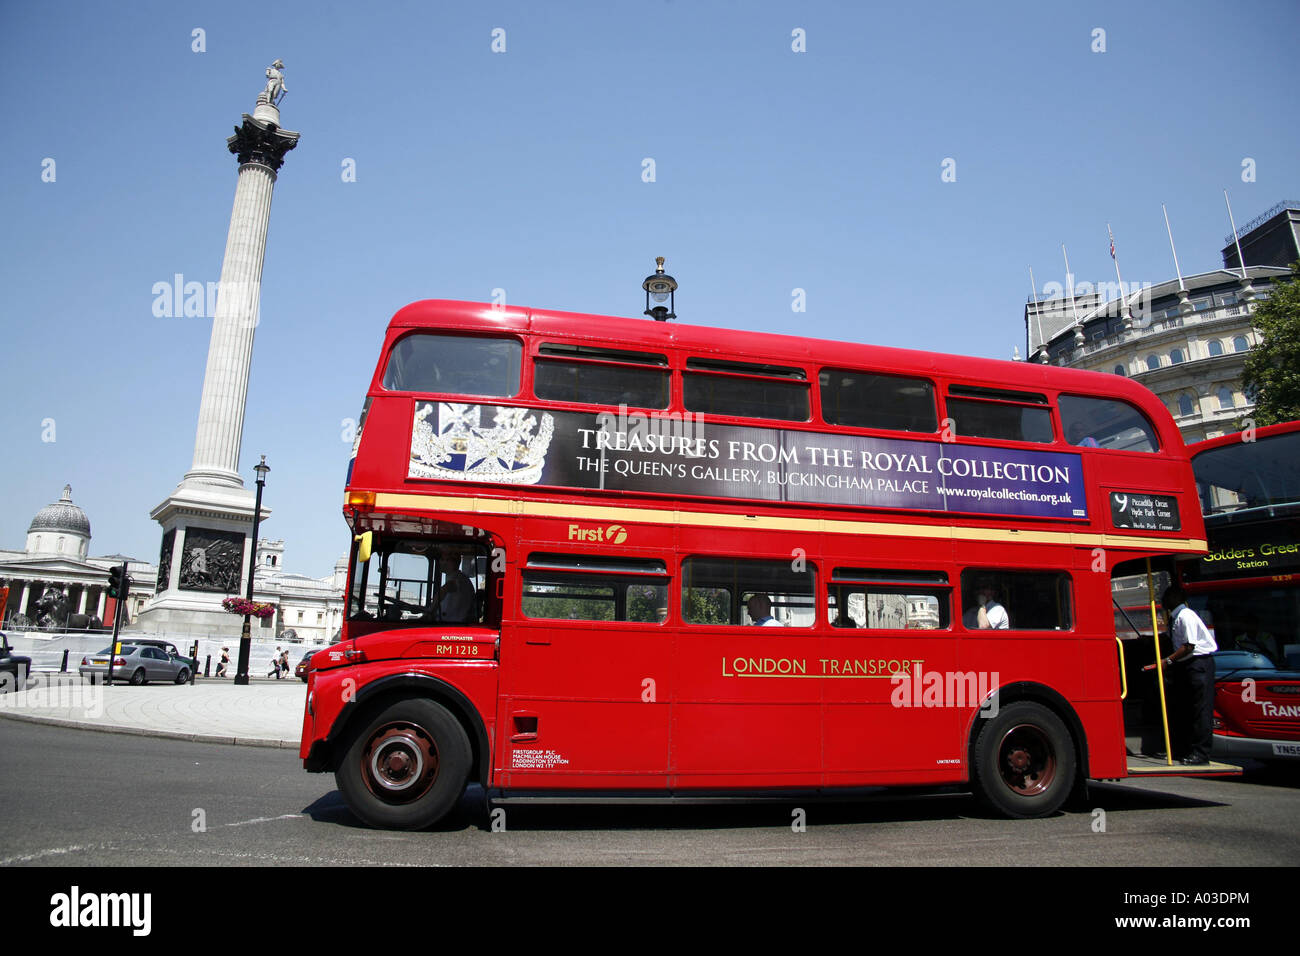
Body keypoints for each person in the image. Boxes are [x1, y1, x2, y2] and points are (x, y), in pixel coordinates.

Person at [1144, 586, 1217, 765]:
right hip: (1186, 664)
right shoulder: (1175, 618)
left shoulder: (1186, 616)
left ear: (1175, 597)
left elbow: (1189, 646)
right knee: (1184, 708)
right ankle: (1180, 747)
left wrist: (1167, 661)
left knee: (1200, 709)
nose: (1162, 601)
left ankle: (1201, 753)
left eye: (1166, 596)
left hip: (1198, 664)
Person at [435, 550, 476, 623]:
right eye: (441, 560)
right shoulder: (456, 577)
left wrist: (431, 610)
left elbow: (446, 589)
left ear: (454, 563)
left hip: (452, 626)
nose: (441, 563)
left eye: (445, 560)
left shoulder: (460, 579)